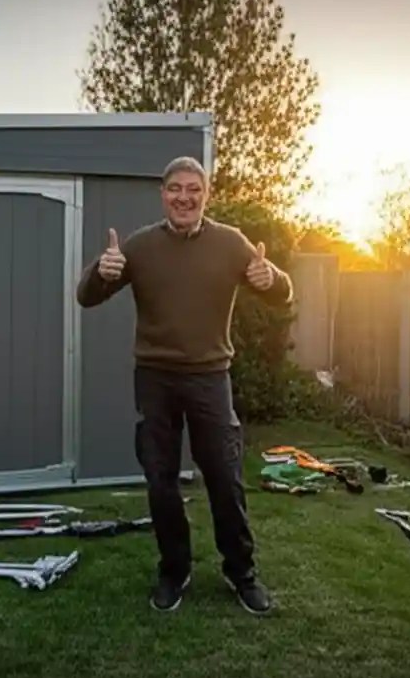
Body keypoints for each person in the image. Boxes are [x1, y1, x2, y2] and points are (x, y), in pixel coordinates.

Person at [75, 155, 294, 614]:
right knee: (161, 480)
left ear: (206, 195)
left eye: (194, 189)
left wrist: (271, 278)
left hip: (210, 378)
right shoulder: (140, 246)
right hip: (155, 379)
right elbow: (87, 297)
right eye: (175, 188)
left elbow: (282, 294)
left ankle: (241, 572)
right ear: (163, 195)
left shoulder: (230, 243)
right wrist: (101, 272)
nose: (184, 197)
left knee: (225, 477)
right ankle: (174, 570)